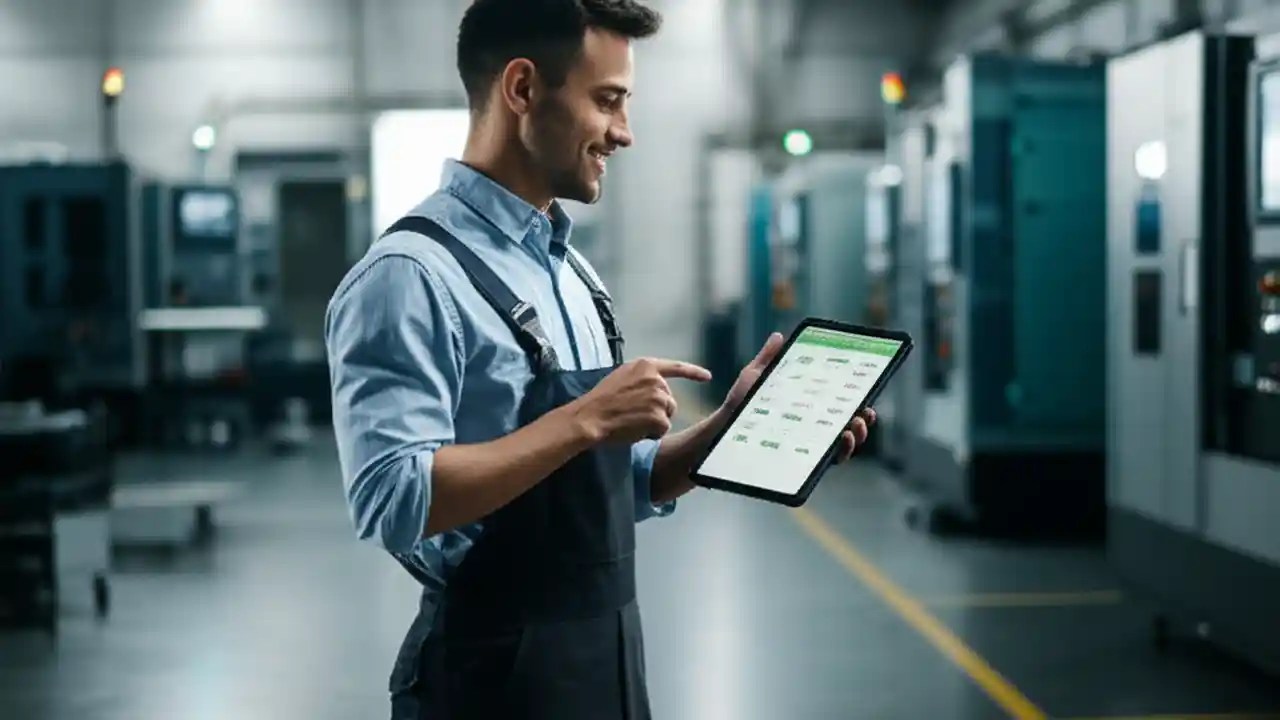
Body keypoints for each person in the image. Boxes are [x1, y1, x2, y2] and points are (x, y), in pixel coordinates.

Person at [324, 1, 876, 717]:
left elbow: (615, 483)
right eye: (608, 100)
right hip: (489, 679)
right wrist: (583, 419)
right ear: (523, 89)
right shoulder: (409, 277)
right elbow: (391, 499)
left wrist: (729, 429)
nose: (625, 131)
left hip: (606, 660)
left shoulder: (573, 275)